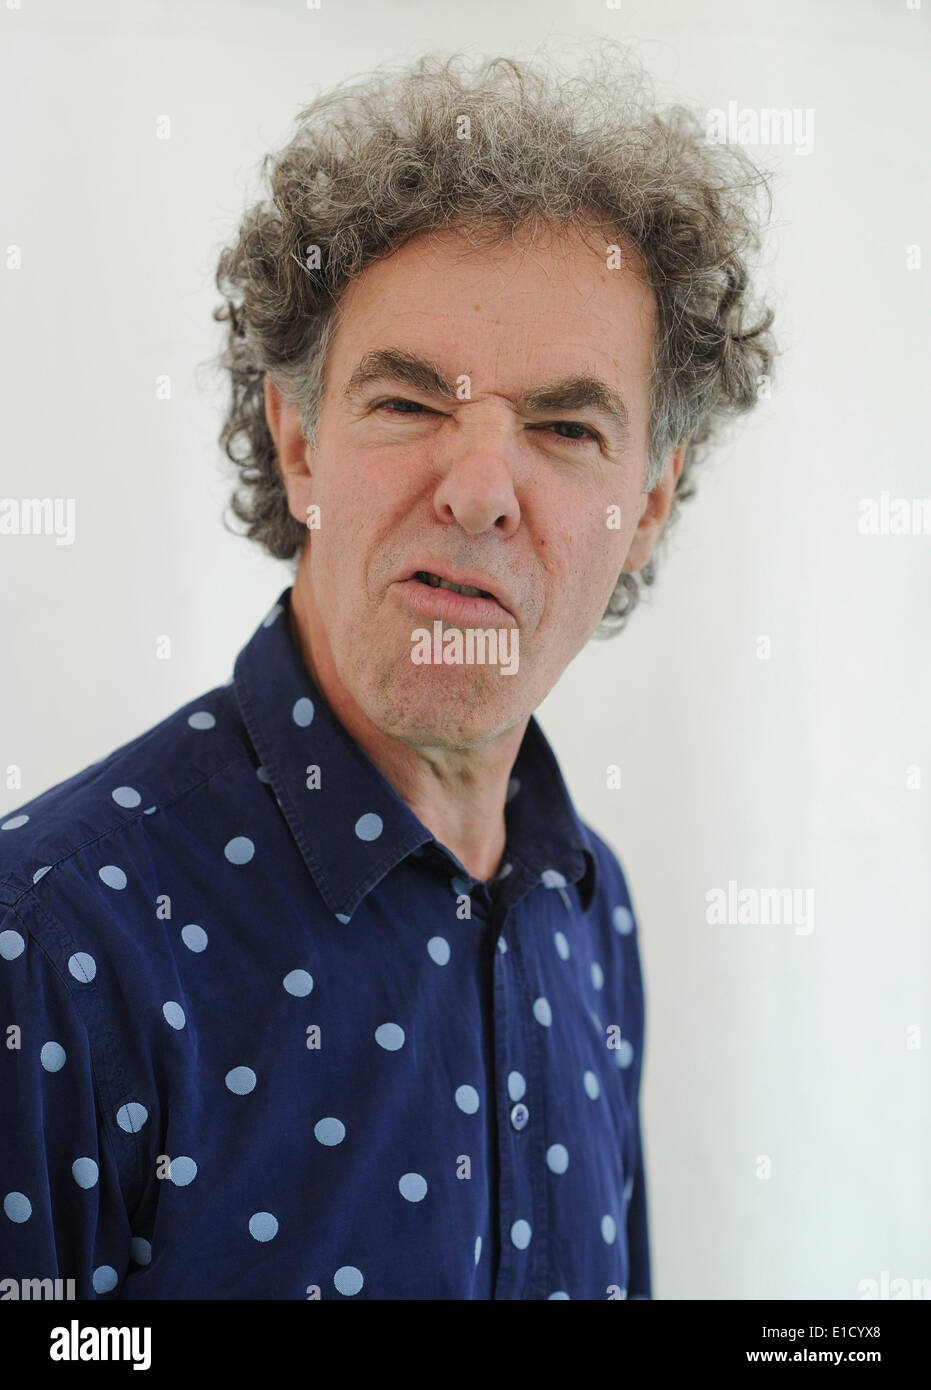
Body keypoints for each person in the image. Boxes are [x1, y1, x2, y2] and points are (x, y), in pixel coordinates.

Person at [0, 47, 774, 1300]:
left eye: (567, 429)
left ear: (646, 506)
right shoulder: (45, 945)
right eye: (409, 403)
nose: (476, 491)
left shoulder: (591, 908)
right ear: (298, 442)